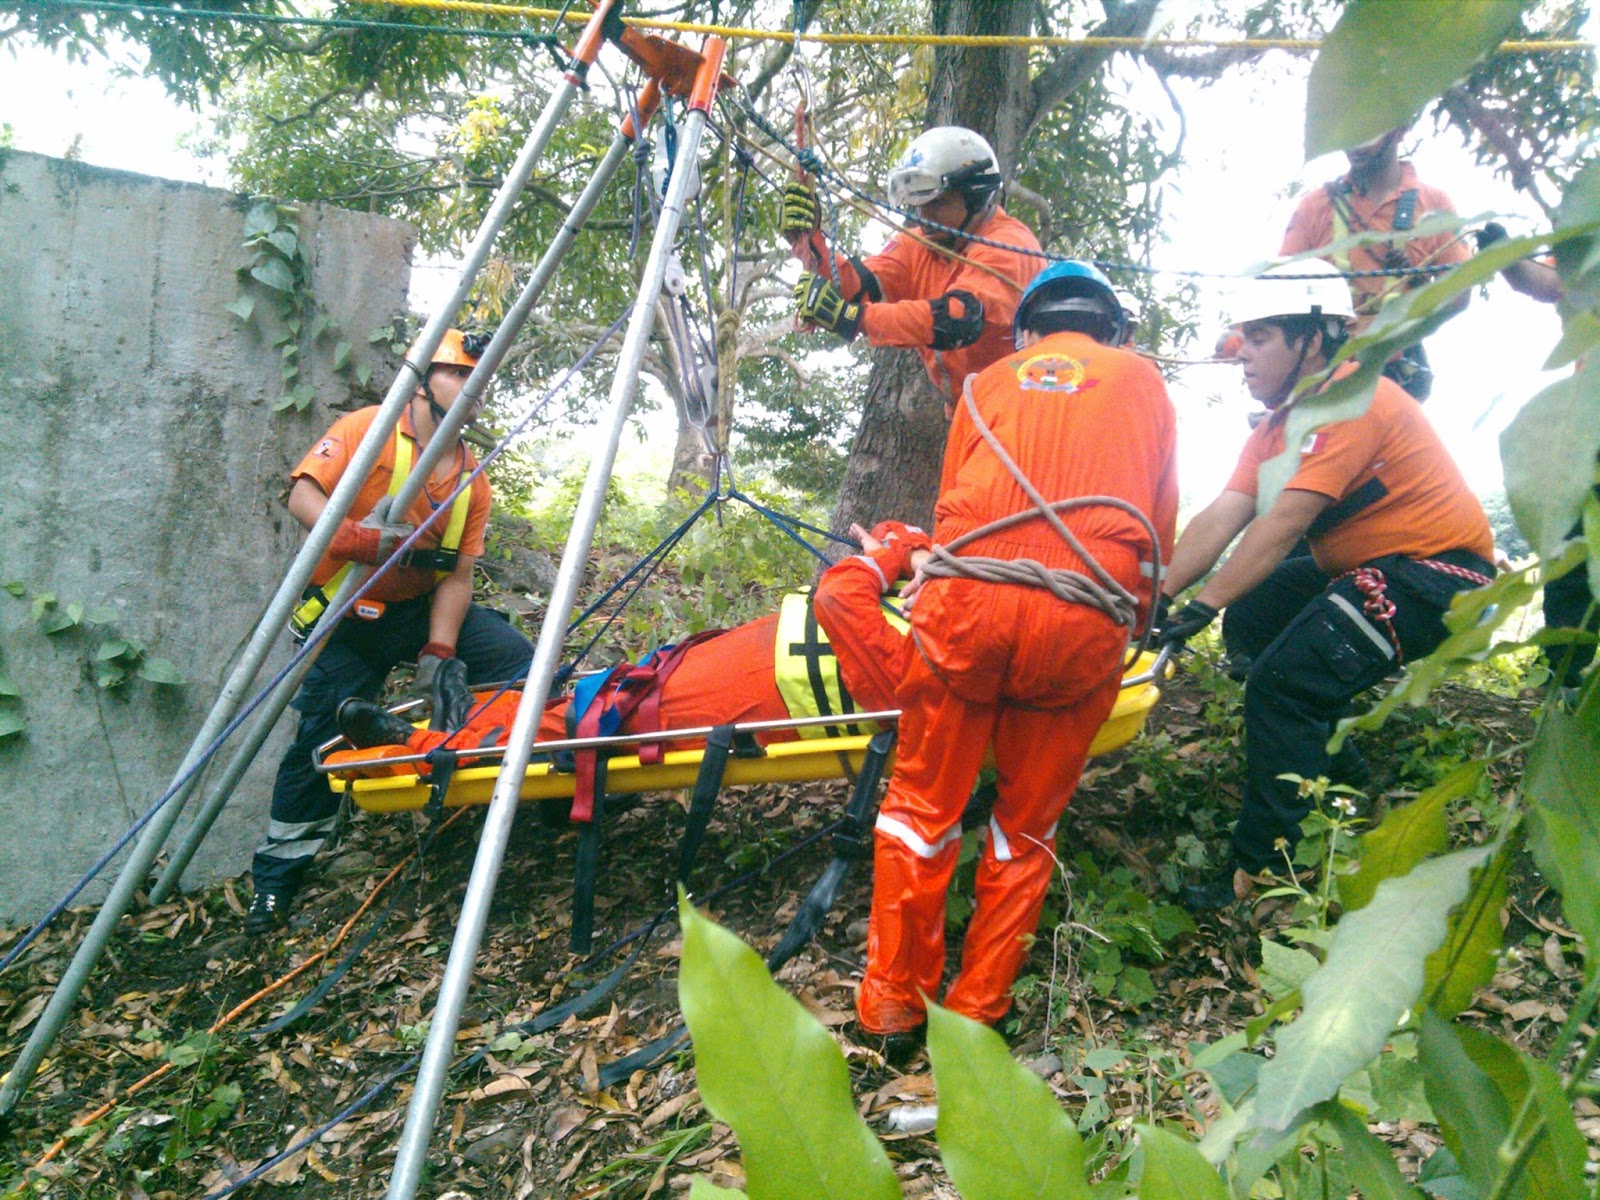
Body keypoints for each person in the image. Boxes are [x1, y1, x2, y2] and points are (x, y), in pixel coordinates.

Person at [854, 260, 1178, 1054]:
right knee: (1024, 828)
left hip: (966, 607)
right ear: (1110, 326)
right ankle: (977, 1015)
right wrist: (1124, 629)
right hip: (1082, 620)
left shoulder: (987, 384)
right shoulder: (1146, 383)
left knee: (919, 811)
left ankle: (894, 1006)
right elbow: (1157, 531)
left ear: (1028, 329)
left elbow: (952, 509)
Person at [1156, 268, 1496, 909]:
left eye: (1260, 338)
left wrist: (1200, 605)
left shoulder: (1351, 398)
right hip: (1378, 563)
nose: (1241, 354)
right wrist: (1162, 595)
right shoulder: (1277, 428)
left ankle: (1267, 874)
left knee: (1282, 684)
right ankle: (1335, 770)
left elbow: (1283, 525)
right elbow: (1225, 515)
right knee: (1254, 616)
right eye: (1242, 338)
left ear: (1312, 340)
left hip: (1435, 576)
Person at [246, 330, 534, 936]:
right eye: (458, 374)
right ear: (427, 379)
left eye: (478, 382)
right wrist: (350, 538)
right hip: (345, 613)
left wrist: (439, 649)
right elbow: (303, 493)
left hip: (414, 612)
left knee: (517, 663)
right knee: (320, 738)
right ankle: (276, 883)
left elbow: (457, 576)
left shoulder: (470, 481)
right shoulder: (369, 429)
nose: (469, 390)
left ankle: (489, 780)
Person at [326, 521, 933, 773]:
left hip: (733, 707)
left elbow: (842, 592)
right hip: (719, 664)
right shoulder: (937, 622)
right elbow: (887, 535)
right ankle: (473, 716)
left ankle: (414, 743)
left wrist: (894, 555)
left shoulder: (931, 671)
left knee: (594, 721)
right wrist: (915, 550)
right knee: (595, 697)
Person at [780, 126, 1043, 402]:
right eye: (918, 204)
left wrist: (854, 317)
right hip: (968, 411)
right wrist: (810, 242)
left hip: (1023, 407)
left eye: (937, 203)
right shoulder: (920, 243)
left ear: (975, 198)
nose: (923, 216)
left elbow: (958, 319)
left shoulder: (1010, 247)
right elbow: (858, 288)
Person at [1279, 126, 1472, 400]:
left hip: (1396, 372)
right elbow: (1280, 288)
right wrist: (1241, 337)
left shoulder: (1433, 204)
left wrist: (1413, 295)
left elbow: (1458, 294)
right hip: (1326, 370)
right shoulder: (1316, 206)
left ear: (1398, 130)